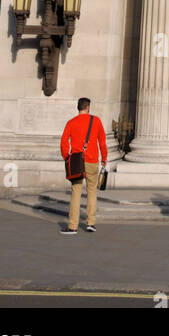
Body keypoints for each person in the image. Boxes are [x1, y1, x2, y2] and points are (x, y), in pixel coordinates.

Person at [60, 96, 108, 235]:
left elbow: (64, 142)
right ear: (88, 107)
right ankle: (91, 223)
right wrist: (104, 158)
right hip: (92, 160)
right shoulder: (96, 121)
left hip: (76, 161)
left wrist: (67, 157)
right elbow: (102, 142)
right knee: (92, 191)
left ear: (78, 107)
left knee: (76, 192)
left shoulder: (71, 122)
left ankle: (73, 226)